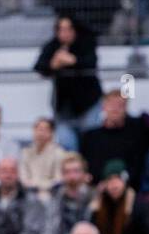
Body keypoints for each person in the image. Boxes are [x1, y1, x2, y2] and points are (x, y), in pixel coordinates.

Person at [34, 14, 102, 152]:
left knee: (90, 142)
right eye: (61, 29)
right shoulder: (52, 46)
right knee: (67, 144)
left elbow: (91, 63)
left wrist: (72, 60)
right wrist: (54, 64)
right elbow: (40, 67)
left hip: (88, 102)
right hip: (64, 106)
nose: (65, 33)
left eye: (68, 29)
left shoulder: (86, 42)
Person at [80, 89, 149, 190]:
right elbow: (84, 165)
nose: (115, 109)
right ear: (103, 107)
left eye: (120, 105)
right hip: (94, 189)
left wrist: (117, 183)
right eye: (111, 104)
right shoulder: (90, 136)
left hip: (126, 189)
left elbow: (137, 167)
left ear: (126, 109)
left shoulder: (135, 136)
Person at [19, 117, 66, 199]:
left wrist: (39, 186)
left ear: (51, 133)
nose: (40, 133)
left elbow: (58, 179)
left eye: (44, 130)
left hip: (51, 193)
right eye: (38, 129)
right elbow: (23, 176)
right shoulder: (25, 152)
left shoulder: (59, 153)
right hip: (28, 192)